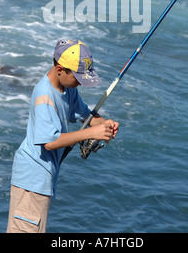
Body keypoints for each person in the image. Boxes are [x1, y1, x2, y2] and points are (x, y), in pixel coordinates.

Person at [6, 38, 119, 233]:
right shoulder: (44, 96)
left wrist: (104, 125)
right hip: (31, 181)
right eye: (78, 78)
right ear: (60, 70)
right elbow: (50, 143)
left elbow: (85, 114)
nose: (80, 84)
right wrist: (91, 132)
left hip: (43, 178)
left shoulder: (67, 89)